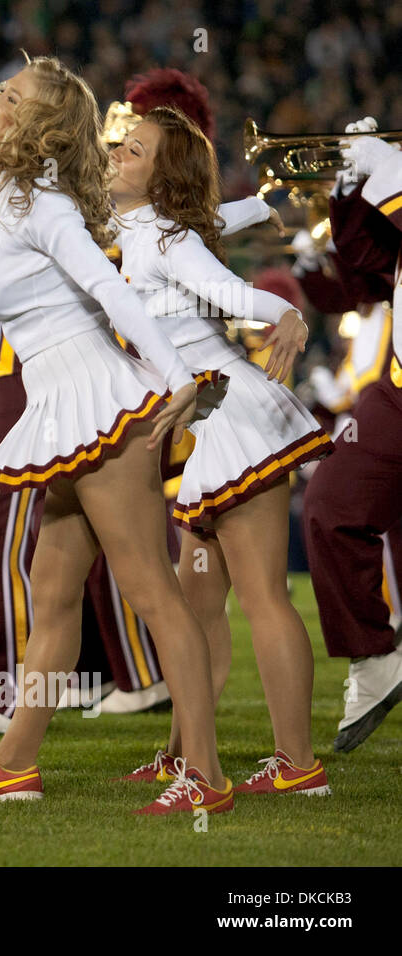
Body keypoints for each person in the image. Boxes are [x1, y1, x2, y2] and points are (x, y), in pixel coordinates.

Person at [0, 58, 229, 814]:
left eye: (13, 98)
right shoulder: (12, 197)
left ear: (48, 126)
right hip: (63, 406)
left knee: (152, 592)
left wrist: (177, 378)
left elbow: (109, 292)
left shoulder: (47, 205)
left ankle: (207, 776)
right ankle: (14, 763)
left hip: (98, 403)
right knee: (52, 592)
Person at [110, 106, 332, 795]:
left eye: (135, 150)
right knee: (197, 604)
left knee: (263, 594)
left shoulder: (167, 237)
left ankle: (299, 767)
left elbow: (227, 290)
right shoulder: (140, 225)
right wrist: (262, 208)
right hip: (209, 420)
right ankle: (184, 754)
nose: (117, 154)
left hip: (232, 414)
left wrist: (286, 313)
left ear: (161, 174)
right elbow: (213, 223)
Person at [302, 129, 402, 753]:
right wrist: (349, 194)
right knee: (329, 509)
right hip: (397, 388)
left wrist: (387, 169)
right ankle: (373, 659)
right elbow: (368, 280)